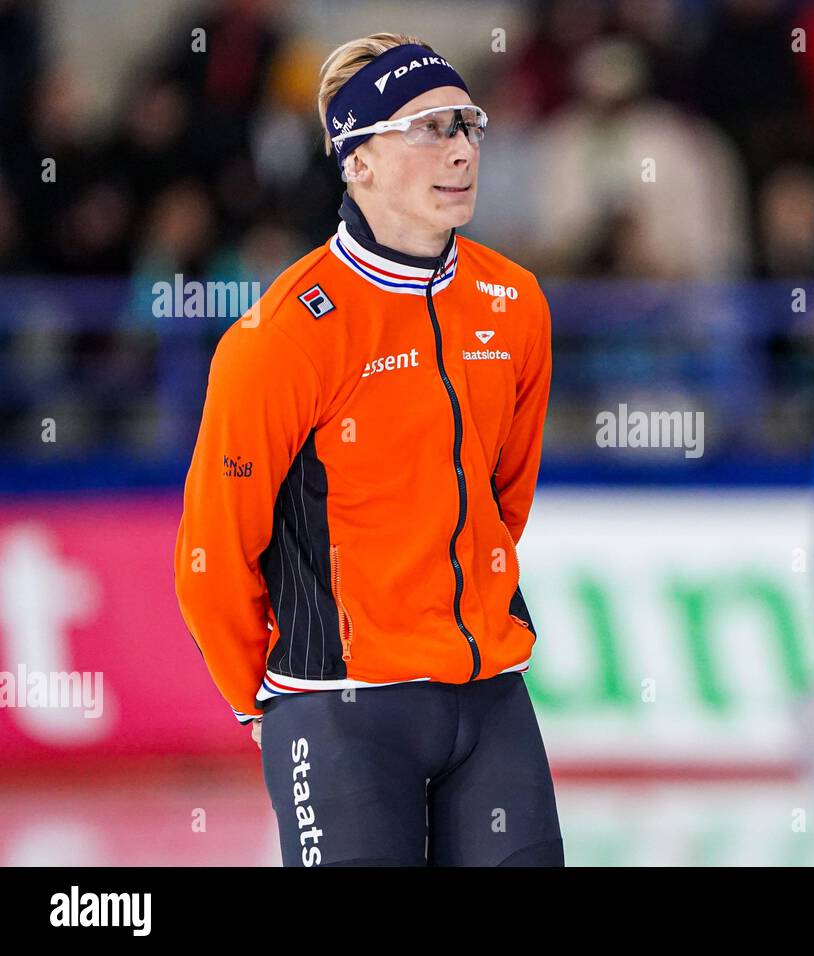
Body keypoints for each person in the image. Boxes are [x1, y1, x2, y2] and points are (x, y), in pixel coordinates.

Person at [174, 33, 561, 867]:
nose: (460, 150)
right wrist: (272, 706)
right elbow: (211, 553)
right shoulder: (282, 337)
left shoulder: (513, 304)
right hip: (339, 712)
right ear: (359, 163)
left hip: (489, 698)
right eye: (427, 129)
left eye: (467, 125)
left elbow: (505, 496)